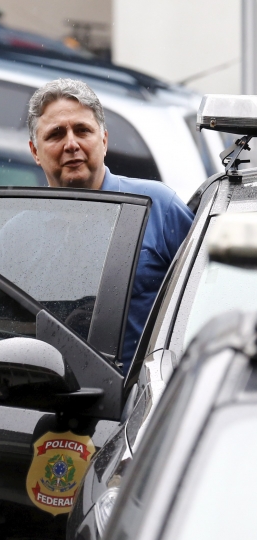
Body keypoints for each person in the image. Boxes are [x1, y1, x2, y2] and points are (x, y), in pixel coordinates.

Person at [26, 78, 194, 372]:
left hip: (150, 394)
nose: (71, 144)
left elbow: (205, 295)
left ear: (103, 140)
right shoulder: (17, 233)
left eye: (82, 130)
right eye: (55, 134)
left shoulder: (158, 206)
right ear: (35, 151)